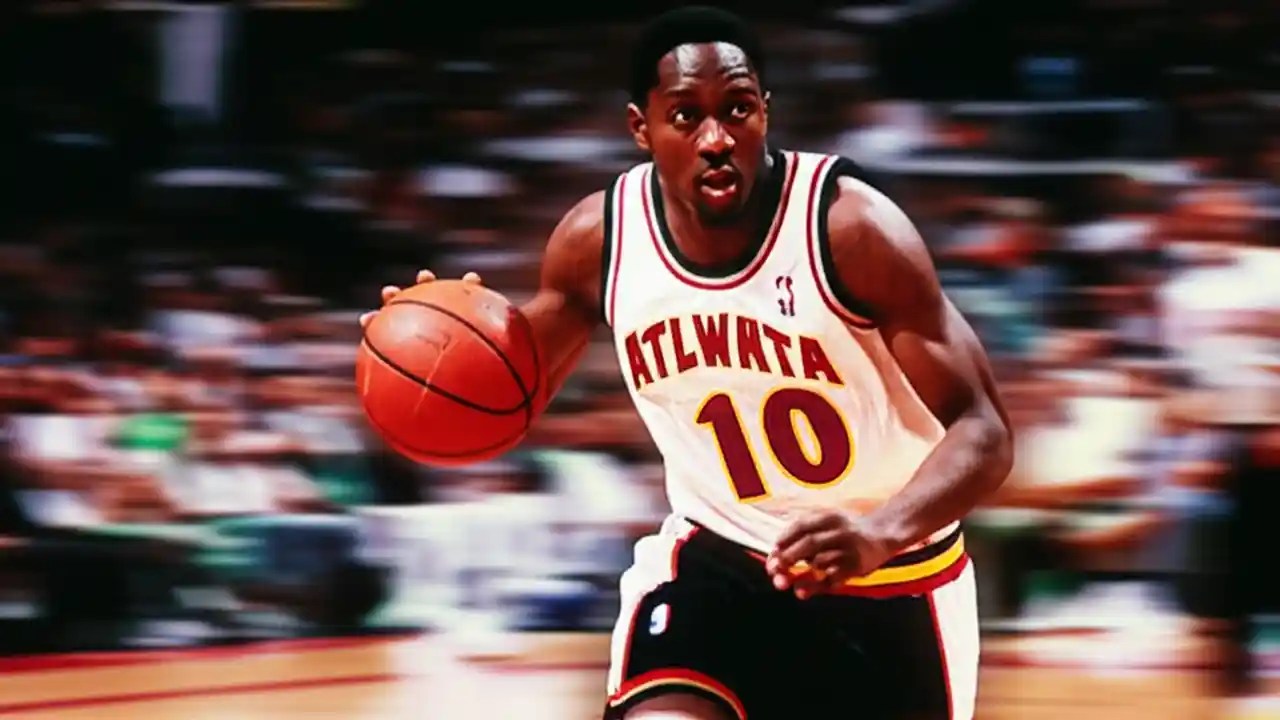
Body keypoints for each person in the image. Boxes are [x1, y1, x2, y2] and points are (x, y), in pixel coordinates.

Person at [360, 7, 1013, 719]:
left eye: (738, 110)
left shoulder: (850, 230)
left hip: (892, 579)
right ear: (641, 128)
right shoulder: (598, 242)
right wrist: (429, 358)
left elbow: (985, 433)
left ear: (766, 112)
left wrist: (877, 531)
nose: (715, 140)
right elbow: (507, 394)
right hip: (719, 565)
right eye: (685, 116)